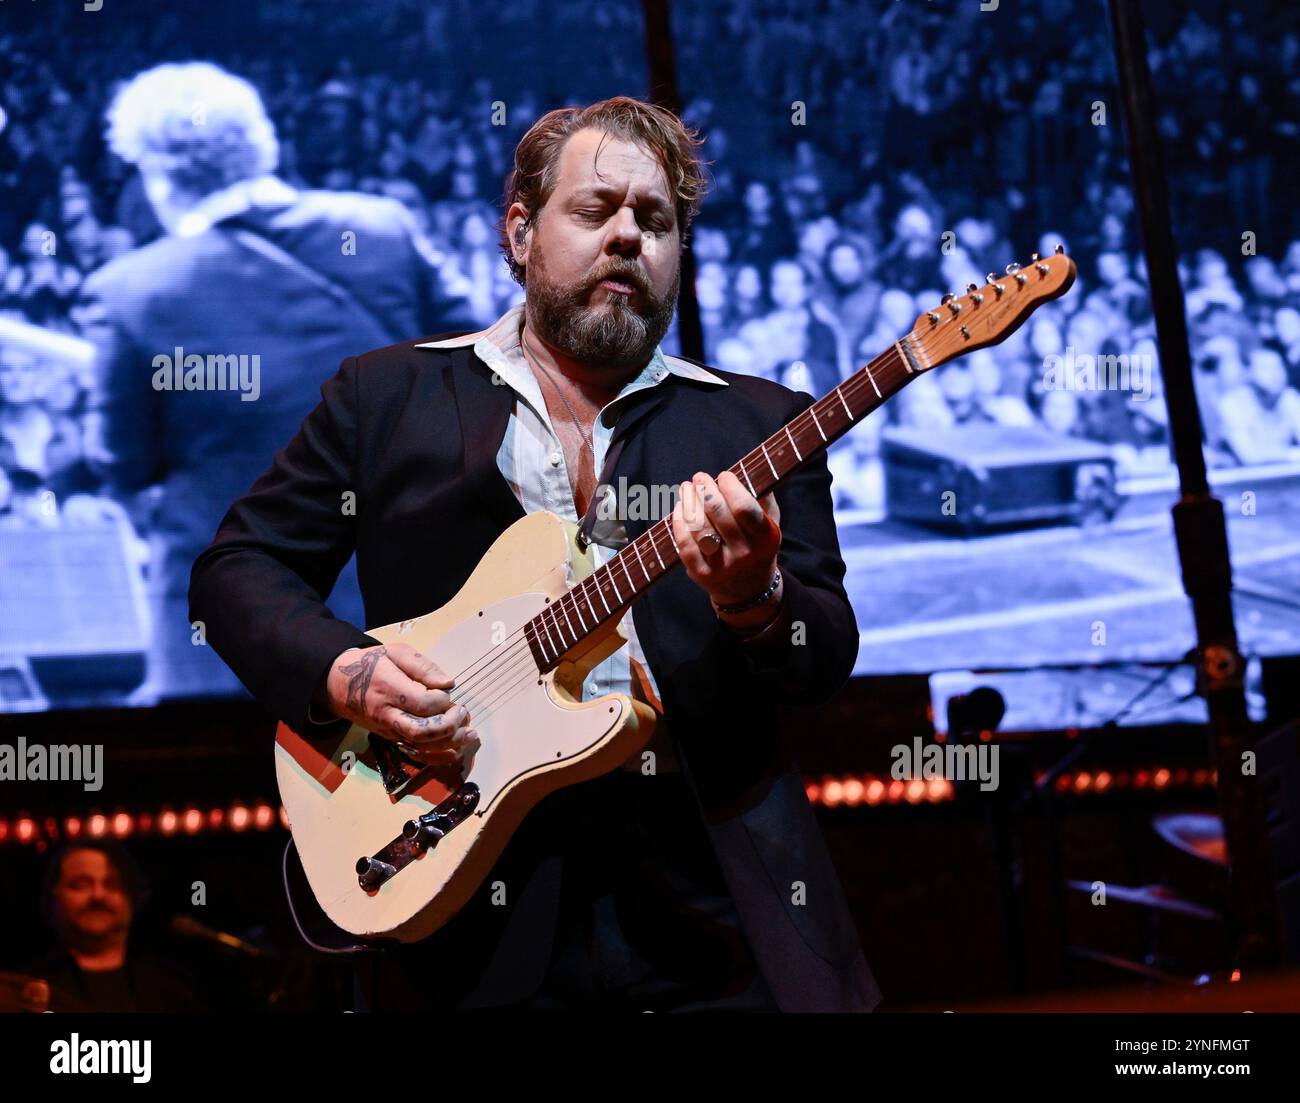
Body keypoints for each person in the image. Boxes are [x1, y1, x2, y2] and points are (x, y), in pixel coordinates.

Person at [190, 96, 881, 1013]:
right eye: (596, 211)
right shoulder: (386, 398)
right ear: (520, 232)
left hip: (715, 907)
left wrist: (756, 597)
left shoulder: (762, 422)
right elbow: (237, 570)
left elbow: (820, 660)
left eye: (657, 220)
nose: (629, 237)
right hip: (459, 900)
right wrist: (348, 673)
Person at [75, 62, 472, 702]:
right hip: (412, 619)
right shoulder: (380, 232)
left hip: (231, 646)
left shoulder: (132, 292)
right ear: (262, 144)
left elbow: (124, 465)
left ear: (157, 172)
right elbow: (484, 368)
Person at [25, 841, 199, 1012]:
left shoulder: (172, 987)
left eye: (112, 884)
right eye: (81, 885)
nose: (98, 896)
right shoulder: (28, 988)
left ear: (133, 895)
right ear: (54, 896)